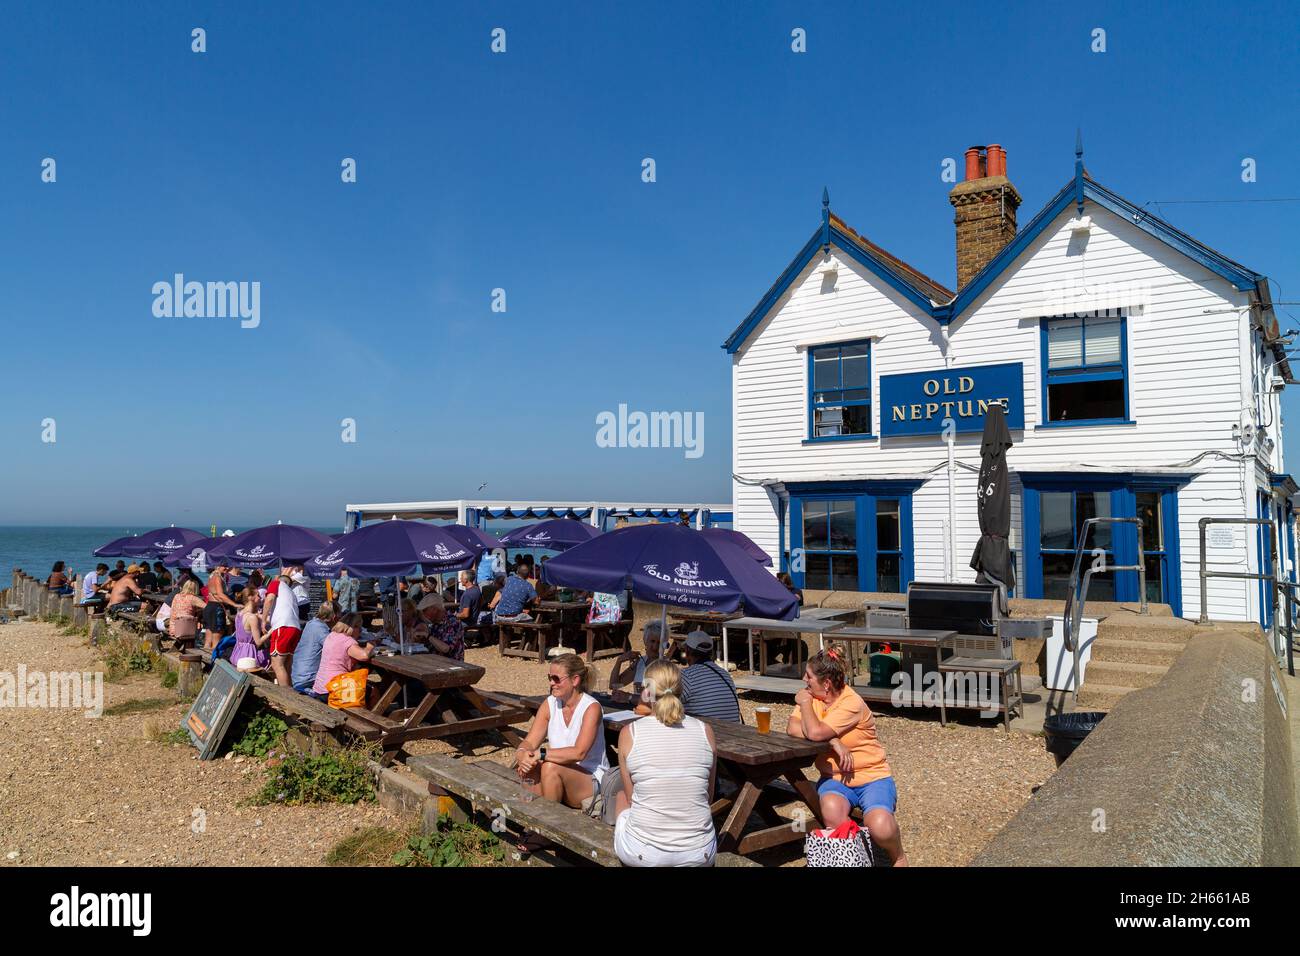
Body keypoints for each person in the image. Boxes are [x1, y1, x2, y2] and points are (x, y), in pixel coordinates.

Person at [786, 645, 907, 866]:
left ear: (827, 684)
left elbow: (814, 732)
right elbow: (792, 727)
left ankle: (897, 855)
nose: (804, 679)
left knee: (880, 825)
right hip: (834, 778)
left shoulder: (851, 703)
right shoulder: (813, 697)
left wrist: (805, 706)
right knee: (832, 813)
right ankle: (853, 857)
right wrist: (833, 740)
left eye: (809, 676)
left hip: (872, 777)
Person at [613, 659, 718, 867]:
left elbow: (632, 799)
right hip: (699, 851)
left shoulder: (630, 733)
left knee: (621, 798)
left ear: (647, 692)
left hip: (645, 852)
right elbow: (709, 795)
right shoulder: (705, 731)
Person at [514, 654, 609, 816]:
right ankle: (532, 820)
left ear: (575, 680)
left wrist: (541, 754)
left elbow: (579, 752)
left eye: (556, 679)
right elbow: (529, 741)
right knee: (529, 767)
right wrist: (523, 754)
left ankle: (546, 830)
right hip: (558, 772)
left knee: (548, 766)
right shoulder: (550, 703)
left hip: (590, 777)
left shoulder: (591, 708)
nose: (551, 683)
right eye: (550, 677)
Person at [311, 612, 376, 704]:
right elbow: (364, 656)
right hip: (335, 688)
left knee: (364, 685)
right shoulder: (347, 640)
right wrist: (370, 645)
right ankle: (370, 716)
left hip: (320, 687)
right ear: (353, 627)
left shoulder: (331, 635)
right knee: (373, 690)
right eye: (358, 627)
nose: (360, 631)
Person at [679, 630, 741, 723]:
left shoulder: (686, 676)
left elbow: (665, 704)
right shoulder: (725, 675)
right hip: (734, 732)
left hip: (706, 735)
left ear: (687, 652)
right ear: (711, 653)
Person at [262, 566, 303, 686]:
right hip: (294, 627)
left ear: (279, 578)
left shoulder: (276, 583)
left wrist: (263, 620)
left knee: (277, 664)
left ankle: (286, 698)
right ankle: (291, 694)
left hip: (283, 626)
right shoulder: (291, 593)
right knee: (286, 664)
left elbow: (269, 599)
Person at [292, 601, 337, 693]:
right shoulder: (321, 629)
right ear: (334, 618)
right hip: (308, 680)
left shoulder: (312, 623)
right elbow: (336, 649)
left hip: (298, 676)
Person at [609, 620, 663, 692]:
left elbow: (653, 698)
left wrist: (628, 697)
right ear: (645, 641)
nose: (655, 646)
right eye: (652, 641)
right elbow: (614, 685)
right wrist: (619, 661)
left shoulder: (665, 666)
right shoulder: (640, 662)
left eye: (659, 642)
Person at [231, 587, 270, 672]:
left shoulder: (239, 614)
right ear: (250, 597)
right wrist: (270, 632)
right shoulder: (252, 617)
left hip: (238, 653)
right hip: (248, 656)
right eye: (258, 595)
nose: (260, 598)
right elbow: (258, 642)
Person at [415, 595, 465, 660]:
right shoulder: (435, 623)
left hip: (451, 665)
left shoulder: (452, 622)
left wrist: (427, 635)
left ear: (434, 610)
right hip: (436, 662)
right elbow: (432, 645)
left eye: (424, 610)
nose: (422, 613)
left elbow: (446, 649)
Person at [169, 579, 206, 647]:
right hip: (183, 629)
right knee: (200, 625)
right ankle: (192, 647)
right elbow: (207, 607)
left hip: (173, 627)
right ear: (196, 588)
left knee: (195, 620)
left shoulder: (177, 596)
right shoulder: (193, 598)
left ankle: (183, 647)